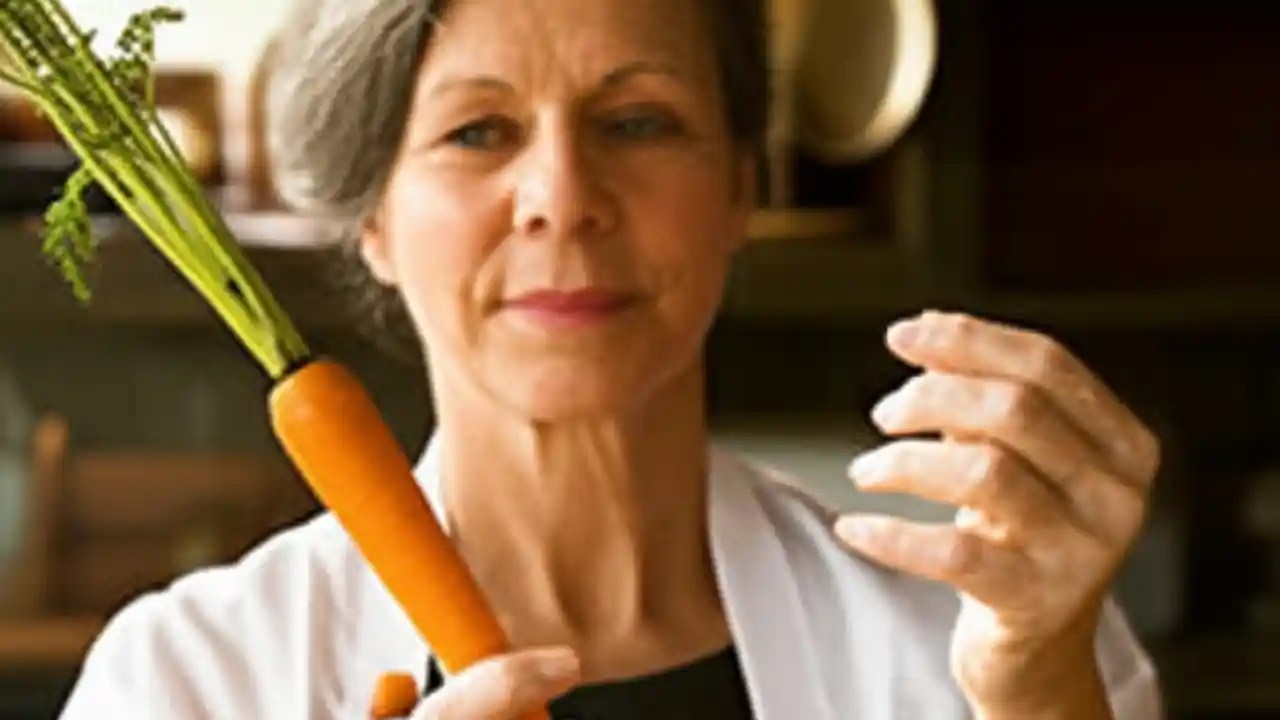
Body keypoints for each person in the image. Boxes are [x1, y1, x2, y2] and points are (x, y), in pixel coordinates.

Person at [59, 0, 1164, 717]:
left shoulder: (991, 645)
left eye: (635, 122)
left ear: (742, 187)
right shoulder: (184, 682)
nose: (564, 201)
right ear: (374, 223)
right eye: (477, 132)